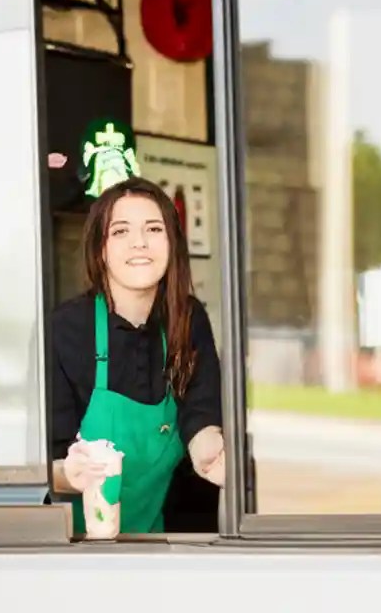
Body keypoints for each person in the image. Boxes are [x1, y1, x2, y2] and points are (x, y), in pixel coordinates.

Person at [49, 176, 225, 536]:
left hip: (153, 544)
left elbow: (200, 410)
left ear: (171, 243)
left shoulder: (188, 319)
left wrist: (210, 452)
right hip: (71, 547)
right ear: (101, 249)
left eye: (153, 228)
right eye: (121, 231)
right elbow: (41, 460)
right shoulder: (65, 329)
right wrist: (69, 473)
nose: (139, 242)